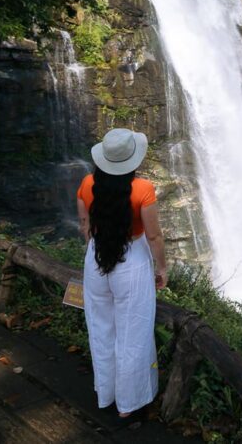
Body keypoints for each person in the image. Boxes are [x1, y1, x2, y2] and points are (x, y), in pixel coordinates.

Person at [76, 128, 167, 418]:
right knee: (133, 332)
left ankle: (106, 394)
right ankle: (128, 404)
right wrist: (162, 268)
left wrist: (96, 254)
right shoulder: (143, 190)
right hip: (132, 264)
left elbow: (85, 226)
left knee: (101, 329)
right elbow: (154, 236)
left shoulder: (87, 184)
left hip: (96, 259)